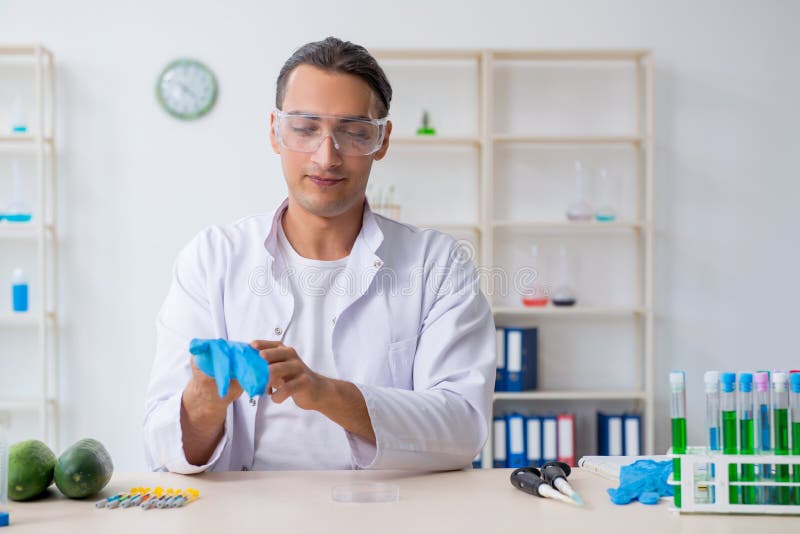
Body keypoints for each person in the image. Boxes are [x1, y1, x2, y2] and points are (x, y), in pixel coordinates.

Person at [143, 37, 495, 473]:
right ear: (275, 131)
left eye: (353, 131)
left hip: (387, 512)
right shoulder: (212, 257)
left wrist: (325, 393)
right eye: (305, 128)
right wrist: (202, 402)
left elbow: (463, 430)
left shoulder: (438, 264)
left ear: (381, 141)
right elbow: (163, 445)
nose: (326, 157)